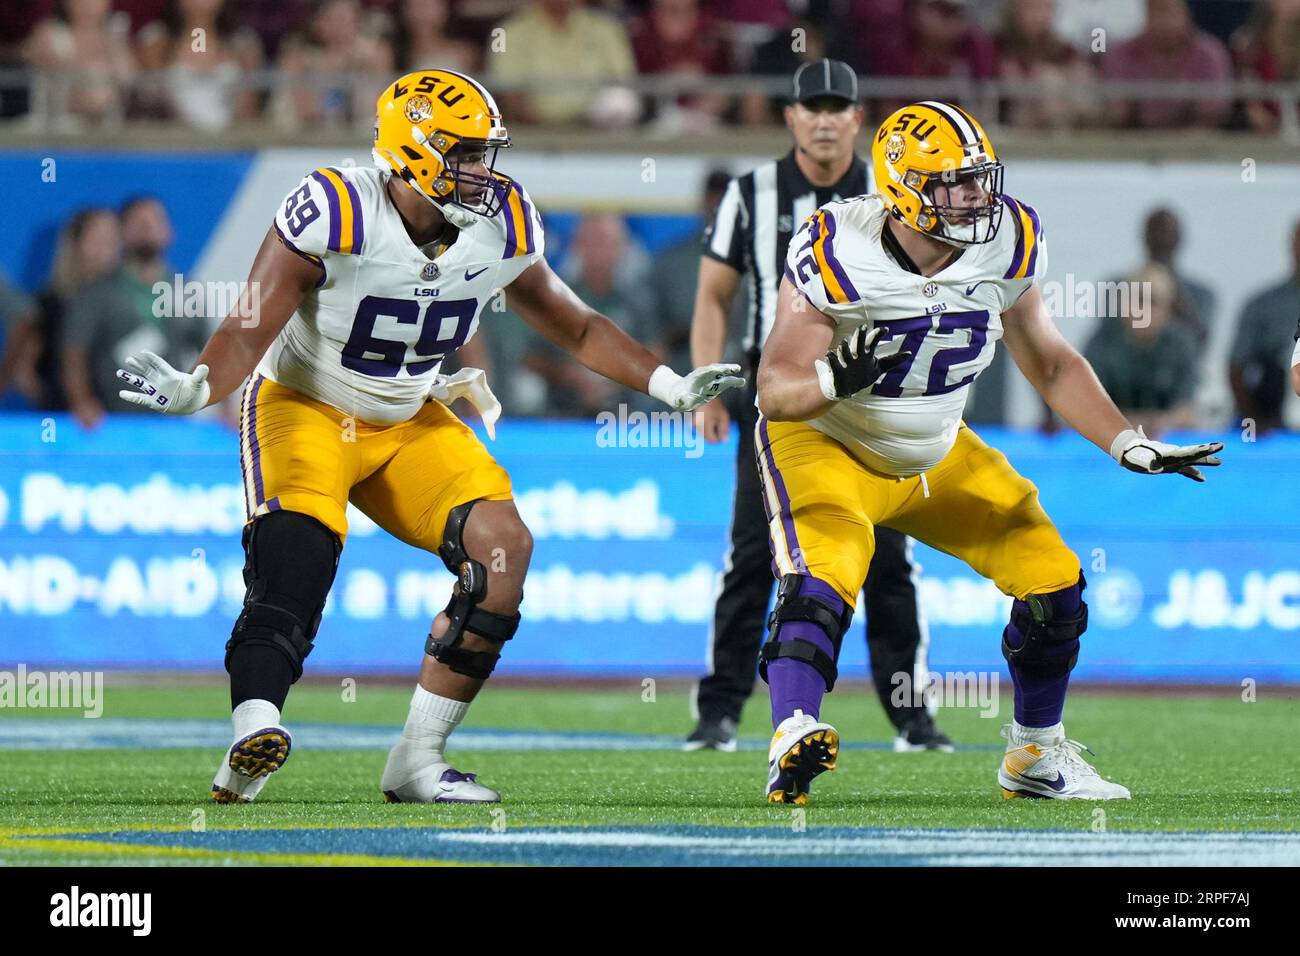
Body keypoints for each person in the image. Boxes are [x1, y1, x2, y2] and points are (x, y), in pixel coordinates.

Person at [115, 69, 743, 805]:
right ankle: (252, 732)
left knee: (504, 552)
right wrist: (200, 386)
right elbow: (251, 319)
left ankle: (417, 759)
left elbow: (572, 322)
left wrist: (667, 384)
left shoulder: (501, 220)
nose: (483, 170)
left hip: (409, 413)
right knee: (298, 556)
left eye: (485, 153)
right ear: (411, 149)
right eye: (466, 153)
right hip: (304, 402)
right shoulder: (337, 207)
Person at [755, 100, 1222, 804]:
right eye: (954, 184)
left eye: (979, 179)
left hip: (937, 446)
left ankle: (1035, 756)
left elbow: (1053, 362)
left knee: (1054, 581)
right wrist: (828, 378)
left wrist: (1127, 443)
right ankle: (792, 732)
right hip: (829, 440)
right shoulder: (837, 245)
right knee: (824, 576)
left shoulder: (1007, 237)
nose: (977, 197)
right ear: (903, 189)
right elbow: (773, 388)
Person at [687, 60, 952, 755]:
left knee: (889, 558)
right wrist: (707, 385)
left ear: (859, 119)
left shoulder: (892, 193)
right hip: (780, 397)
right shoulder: (751, 193)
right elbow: (714, 292)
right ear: (791, 118)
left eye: (840, 107)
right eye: (814, 107)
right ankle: (718, 712)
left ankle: (910, 716)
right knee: (753, 554)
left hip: (876, 398)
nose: (827, 119)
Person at [62, 195, 205, 428]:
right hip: (111, 425)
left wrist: (228, 406)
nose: (148, 228)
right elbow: (73, 353)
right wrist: (82, 402)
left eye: (156, 221)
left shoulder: (185, 291)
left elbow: (209, 348)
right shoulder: (96, 292)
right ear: (121, 233)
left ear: (169, 231)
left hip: (172, 424)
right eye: (139, 222)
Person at [1084, 264, 1199, 437]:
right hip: (1109, 441)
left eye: (1153, 302)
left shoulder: (1182, 345)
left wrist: (1155, 424)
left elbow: (1186, 412)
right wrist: (1142, 424)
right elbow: (1087, 408)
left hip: (1167, 440)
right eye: (1138, 300)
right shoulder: (1102, 342)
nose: (1144, 310)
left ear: (1168, 308)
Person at [1230, 221, 1300, 432]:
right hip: (1275, 418)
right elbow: (1236, 367)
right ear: (1292, 245)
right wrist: (1253, 418)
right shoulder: (1262, 305)